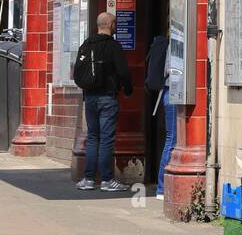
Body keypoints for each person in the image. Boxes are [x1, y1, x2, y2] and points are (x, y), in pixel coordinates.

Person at [73, 12, 132, 191]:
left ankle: (89, 179)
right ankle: (107, 180)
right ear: (111, 24)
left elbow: (77, 71)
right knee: (106, 140)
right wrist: (128, 90)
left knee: (93, 138)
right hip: (107, 98)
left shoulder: (86, 44)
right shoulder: (113, 46)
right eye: (114, 24)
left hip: (89, 98)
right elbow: (123, 72)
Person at [145, 32, 174, 201]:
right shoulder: (174, 45)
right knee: (172, 139)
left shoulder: (167, 44)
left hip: (168, 93)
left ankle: (162, 187)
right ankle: (162, 188)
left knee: (171, 139)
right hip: (173, 92)